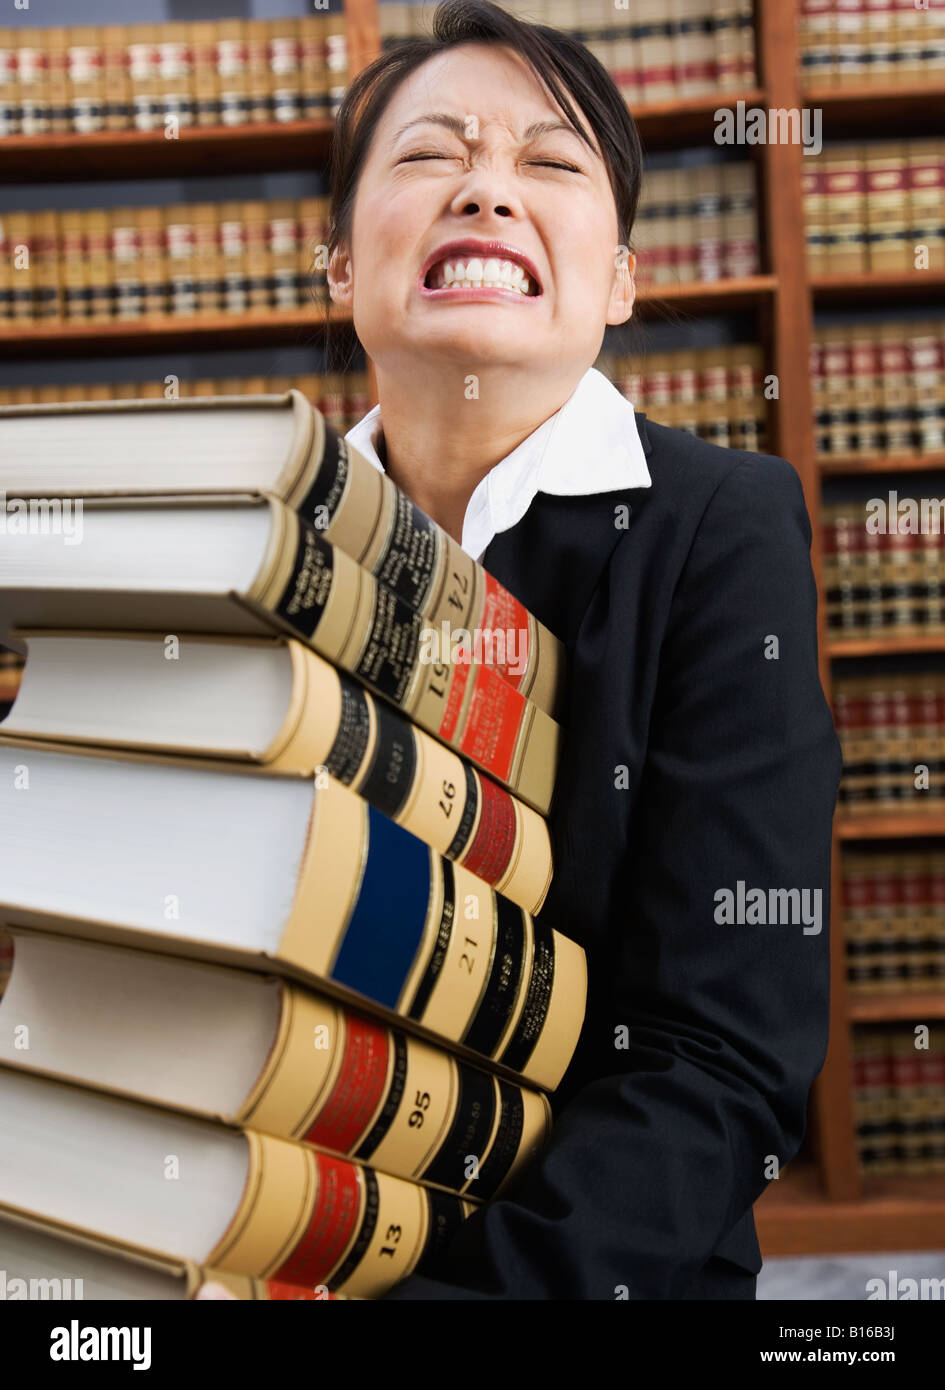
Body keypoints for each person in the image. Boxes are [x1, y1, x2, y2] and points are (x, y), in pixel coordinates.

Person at [199, 0, 843, 1302]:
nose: (487, 189)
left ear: (614, 280)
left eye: (549, 165)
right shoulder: (233, 546)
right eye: (431, 154)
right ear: (338, 265)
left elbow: (716, 1060)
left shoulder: (721, 527)